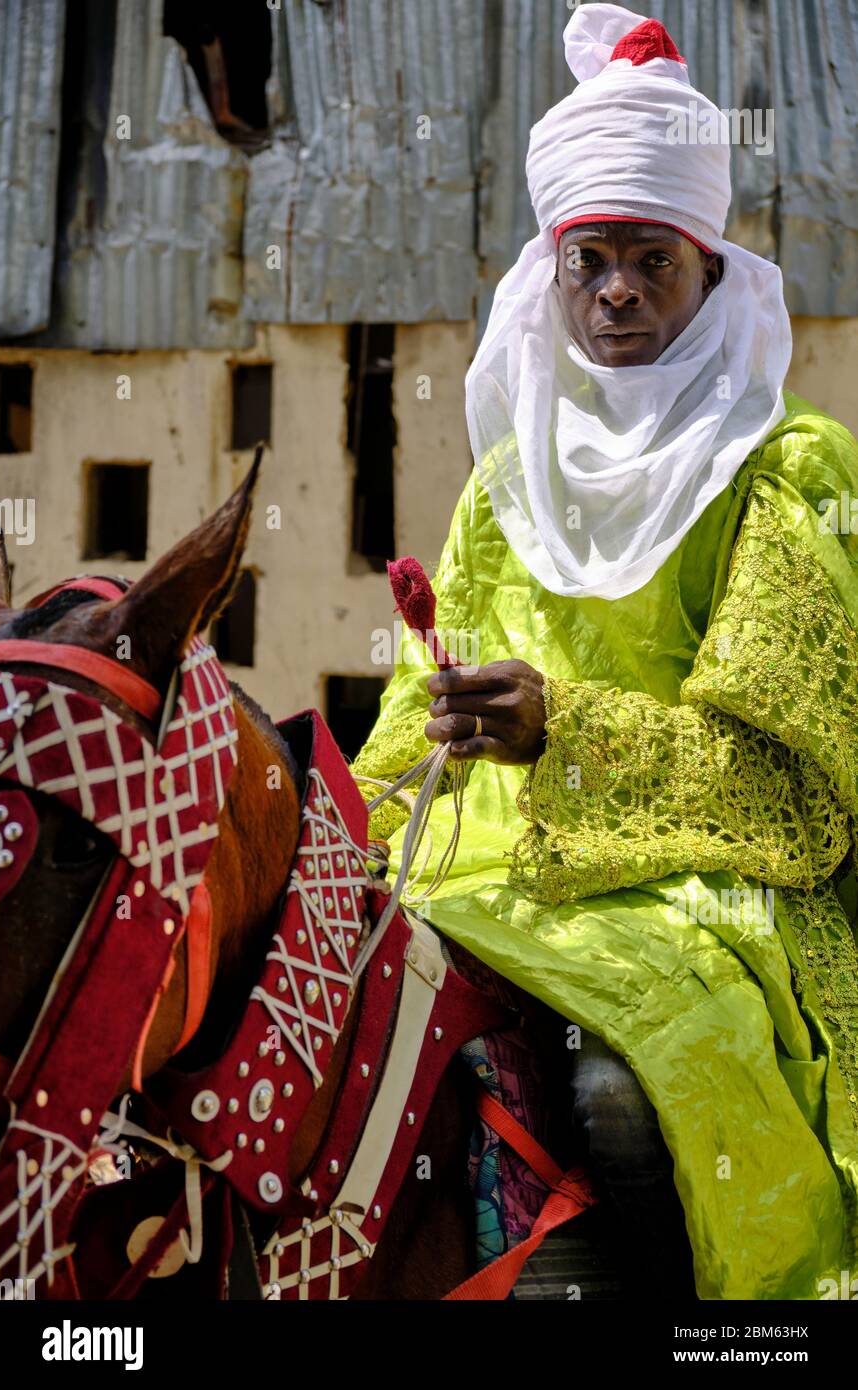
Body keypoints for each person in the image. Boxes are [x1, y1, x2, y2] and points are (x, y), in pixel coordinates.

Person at [353, 3, 858, 1300]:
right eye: (591, 262)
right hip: (485, 869)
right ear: (550, 275)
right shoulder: (504, 489)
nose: (618, 289)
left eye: (648, 260)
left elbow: (789, 789)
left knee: (619, 1092)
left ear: (707, 276)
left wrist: (563, 730)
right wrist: (338, 841)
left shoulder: (777, 481)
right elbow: (419, 702)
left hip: (703, 893)